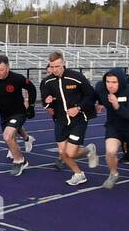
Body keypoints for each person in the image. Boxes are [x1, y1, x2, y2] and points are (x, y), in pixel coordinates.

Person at [40, 51, 99, 185]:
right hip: (60, 120)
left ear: (64, 63)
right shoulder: (47, 82)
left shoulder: (76, 77)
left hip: (78, 119)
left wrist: (78, 108)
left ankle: (88, 150)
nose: (54, 69)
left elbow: (91, 95)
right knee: (63, 153)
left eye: (57, 66)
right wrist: (48, 101)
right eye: (52, 66)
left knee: (70, 153)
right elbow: (46, 102)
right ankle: (79, 174)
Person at [92, 66, 129, 191]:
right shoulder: (101, 87)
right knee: (110, 151)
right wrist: (95, 105)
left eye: (114, 82)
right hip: (114, 126)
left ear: (121, 81)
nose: (110, 85)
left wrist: (116, 105)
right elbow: (90, 95)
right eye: (108, 82)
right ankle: (113, 174)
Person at [0, 55, 38, 176]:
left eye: (0, 70)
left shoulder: (17, 78)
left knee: (7, 135)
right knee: (12, 133)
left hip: (19, 112)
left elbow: (32, 88)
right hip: (4, 114)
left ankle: (20, 161)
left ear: (7, 68)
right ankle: (27, 138)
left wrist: (31, 106)